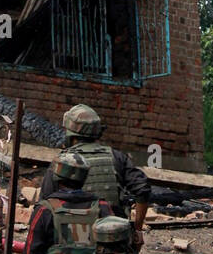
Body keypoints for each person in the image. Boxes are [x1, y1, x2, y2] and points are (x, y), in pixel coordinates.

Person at [40, 104, 151, 246]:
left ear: (70, 134)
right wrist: (137, 230)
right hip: (112, 242)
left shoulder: (61, 162)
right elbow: (142, 189)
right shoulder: (116, 157)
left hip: (72, 241)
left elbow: (44, 206)